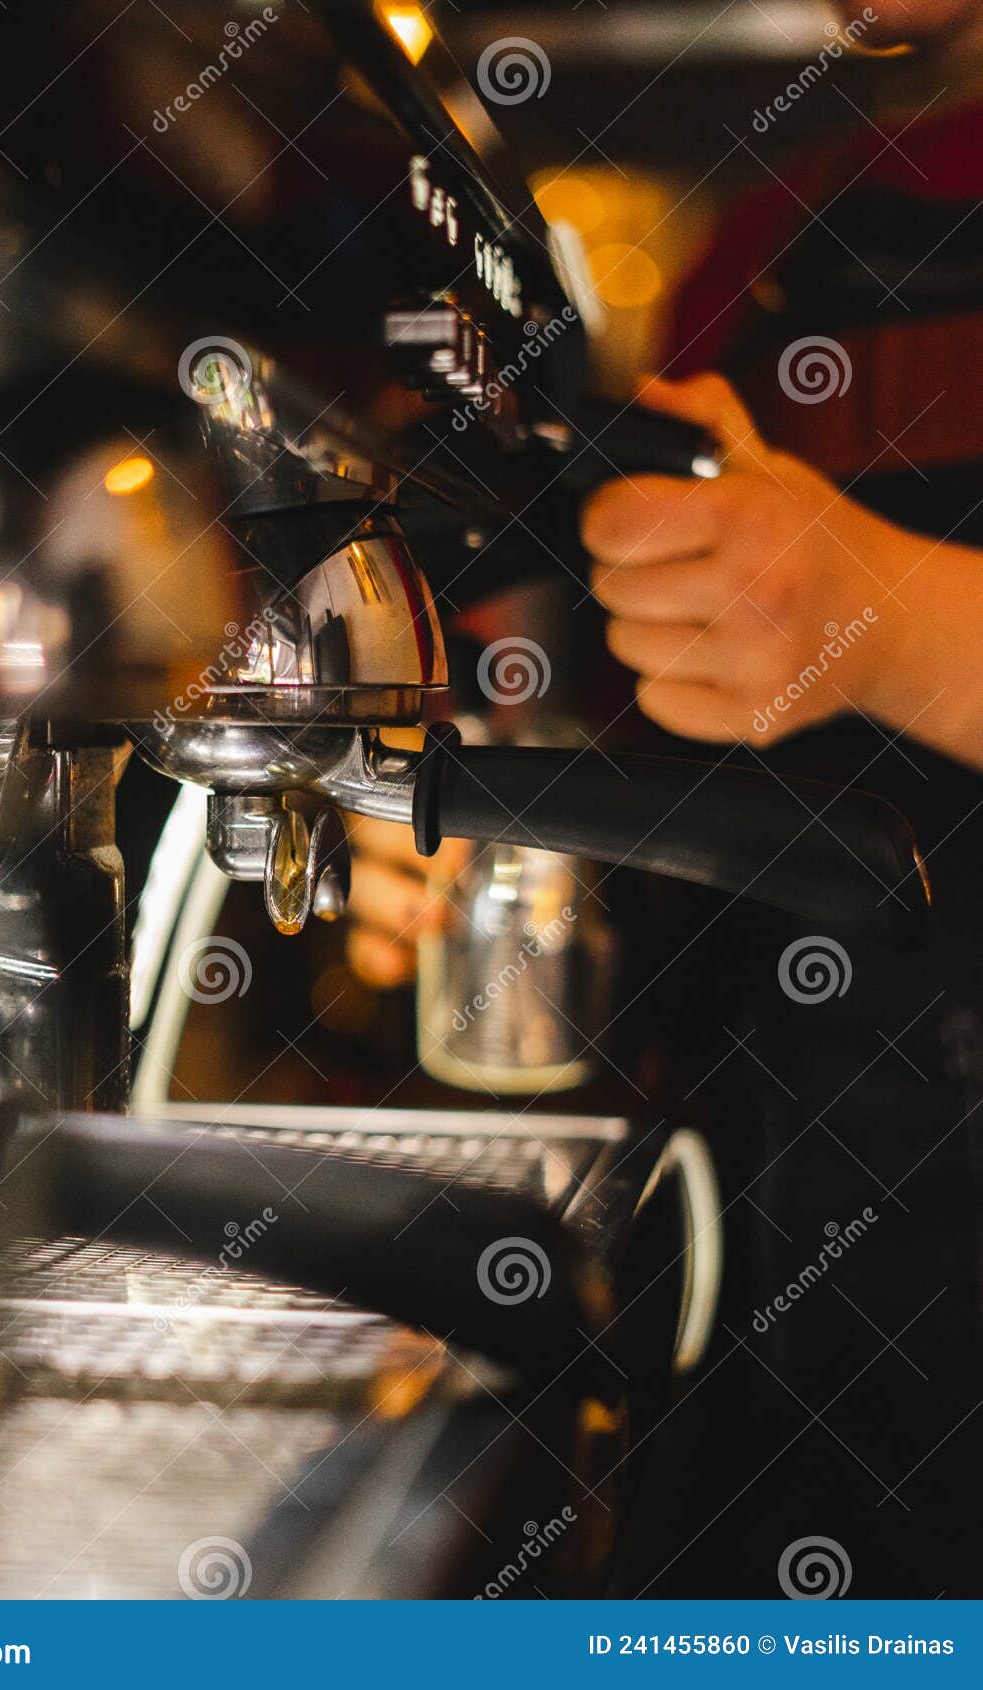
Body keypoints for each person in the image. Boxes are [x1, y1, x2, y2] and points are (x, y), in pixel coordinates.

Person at [347, 0, 983, 1596]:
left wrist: (892, 622)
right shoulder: (783, 240)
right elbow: (632, 680)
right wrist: (449, 812)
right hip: (794, 1223)